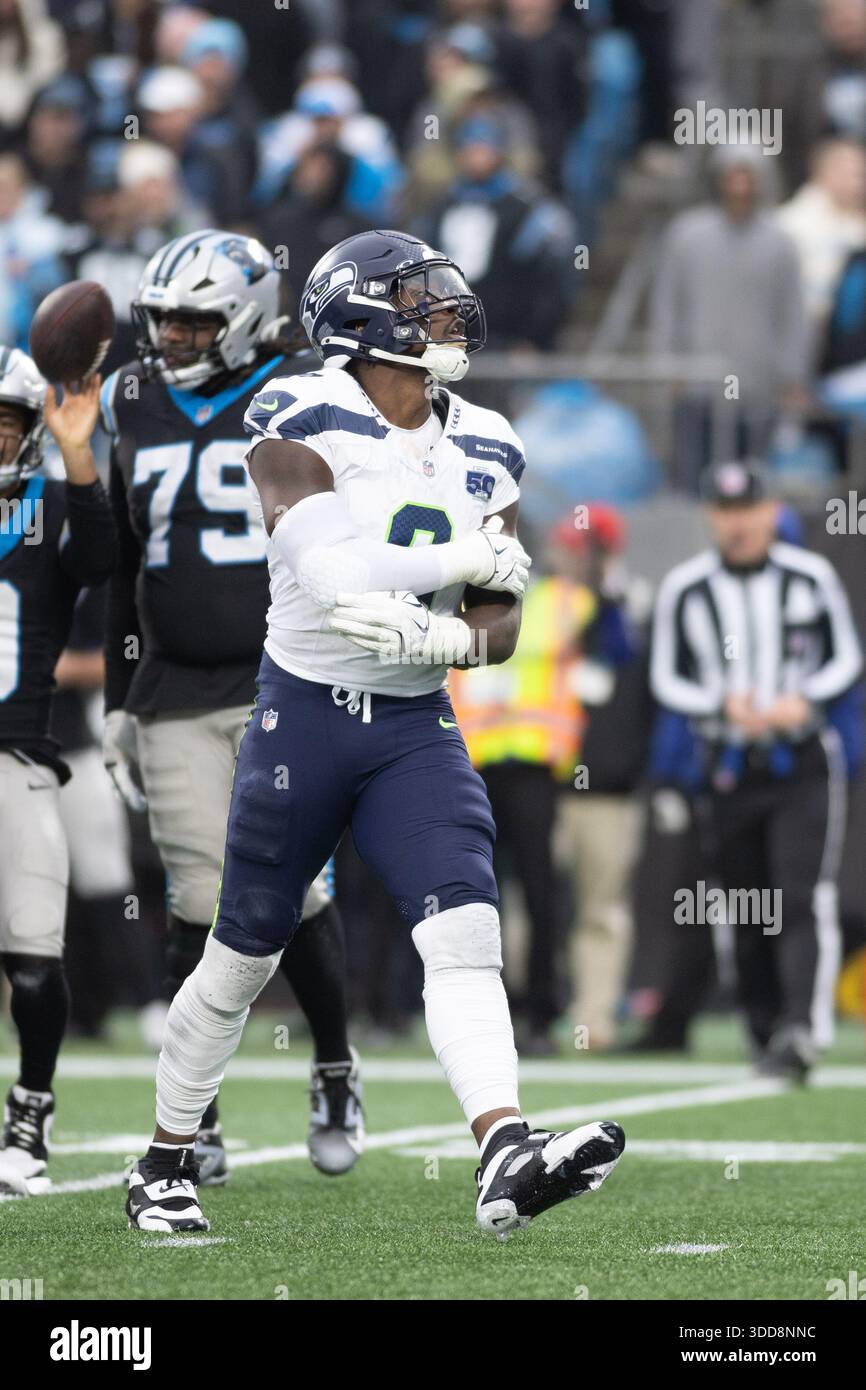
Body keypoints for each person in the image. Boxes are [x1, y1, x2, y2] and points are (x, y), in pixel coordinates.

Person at [125, 227, 625, 1236]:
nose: (445, 313)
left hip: (410, 721)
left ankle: (503, 1150)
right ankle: (161, 1161)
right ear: (358, 317)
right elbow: (329, 567)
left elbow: (504, 618)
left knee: (464, 929)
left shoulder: (488, 438)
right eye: (418, 299)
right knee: (239, 950)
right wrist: (457, 557)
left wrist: (447, 629)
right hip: (302, 715)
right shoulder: (299, 407)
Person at [80, 230, 362, 1183]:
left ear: (244, 317)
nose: (175, 336)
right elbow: (121, 564)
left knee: (296, 894)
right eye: (163, 319)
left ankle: (332, 1064)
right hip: (175, 691)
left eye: (196, 319)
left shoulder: (300, 392)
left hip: (286, 677)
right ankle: (193, 1119)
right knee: (199, 903)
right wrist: (120, 699)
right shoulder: (134, 398)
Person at [650, 459, 863, 1080]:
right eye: (725, 512)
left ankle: (801, 1026)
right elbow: (668, 677)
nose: (738, 524)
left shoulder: (810, 576)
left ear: (771, 513)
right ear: (711, 518)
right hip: (729, 766)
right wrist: (721, 705)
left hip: (799, 761)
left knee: (799, 896)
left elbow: (846, 658)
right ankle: (764, 1024)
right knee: (745, 904)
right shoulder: (687, 587)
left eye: (748, 511)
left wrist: (807, 699)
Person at [0, 349, 116, 1194]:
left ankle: (29, 1111)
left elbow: (103, 560)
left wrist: (80, 455)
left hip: (17, 753)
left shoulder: (46, 507)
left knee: (34, 960)